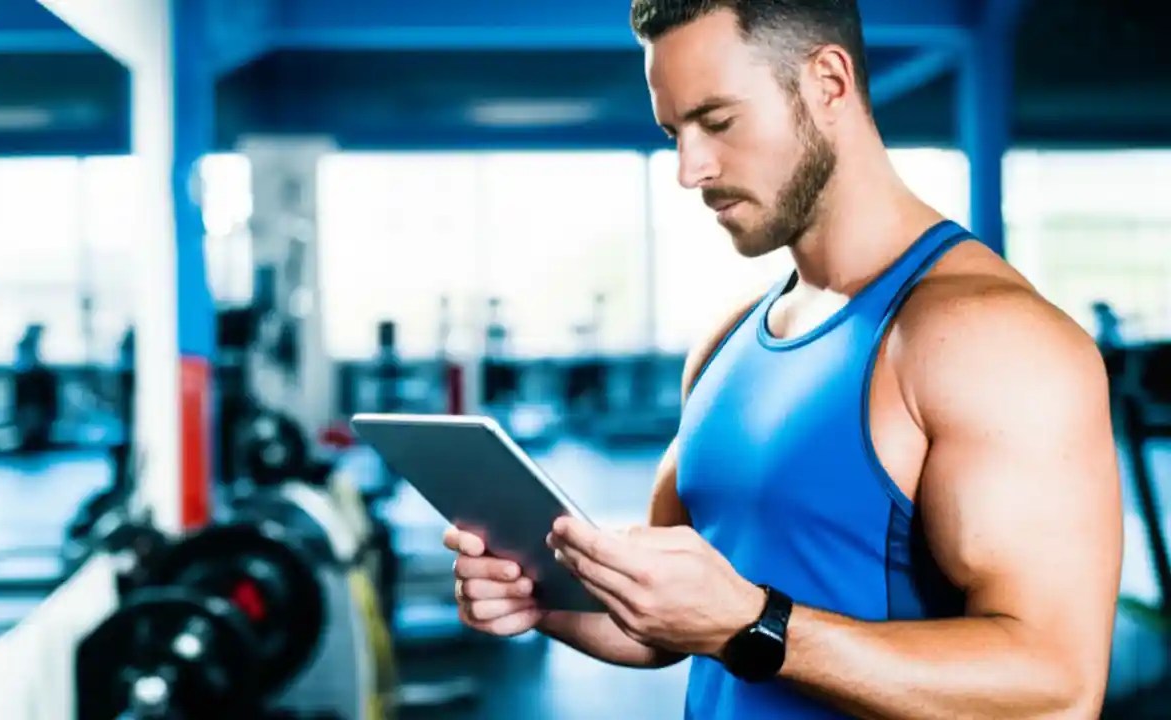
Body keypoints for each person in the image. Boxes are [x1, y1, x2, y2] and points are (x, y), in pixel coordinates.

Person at [443, 1, 1123, 718]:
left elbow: (1055, 689)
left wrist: (752, 624)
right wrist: (538, 599)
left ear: (829, 82)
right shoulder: (729, 338)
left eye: (718, 121)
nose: (689, 168)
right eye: (675, 132)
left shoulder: (990, 339)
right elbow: (670, 623)